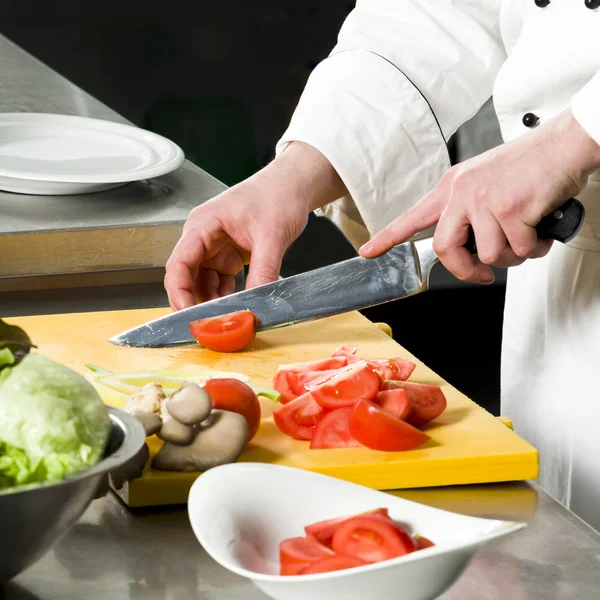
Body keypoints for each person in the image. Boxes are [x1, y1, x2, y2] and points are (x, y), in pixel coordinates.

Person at [165, 2, 600, 531]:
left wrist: (569, 142)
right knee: (562, 544)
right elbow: (433, 14)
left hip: (564, 192)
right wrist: (298, 171)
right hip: (562, 267)